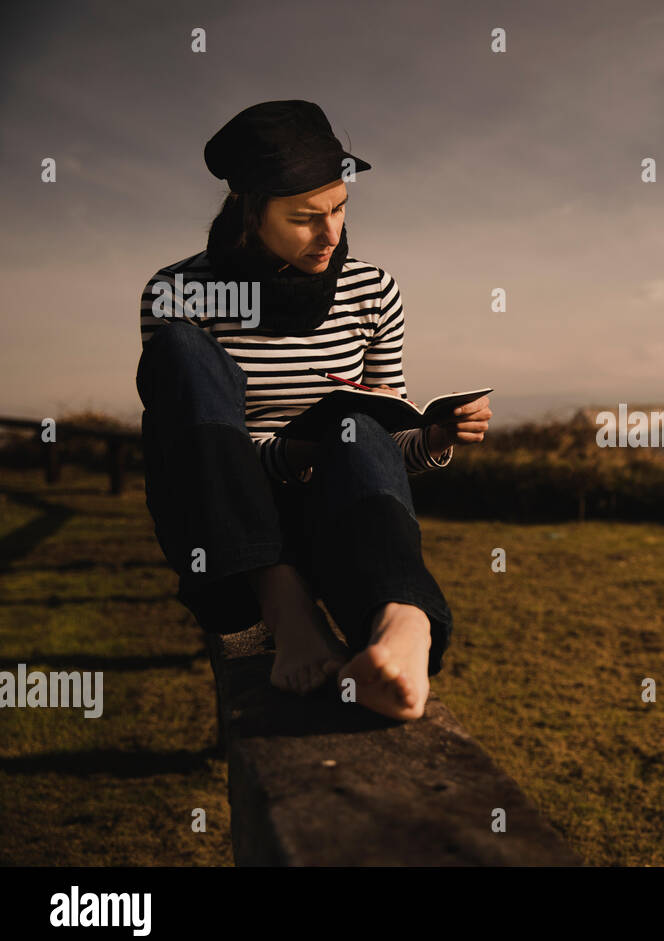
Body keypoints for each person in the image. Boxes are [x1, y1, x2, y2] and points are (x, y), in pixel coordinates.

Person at [135, 100, 490, 721]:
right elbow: (187, 448)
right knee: (183, 352)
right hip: (232, 531)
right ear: (250, 212)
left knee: (357, 426)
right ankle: (285, 605)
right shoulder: (178, 294)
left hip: (341, 517)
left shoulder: (371, 289)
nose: (330, 234)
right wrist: (283, 456)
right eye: (304, 219)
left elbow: (381, 444)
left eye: (339, 209)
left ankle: (403, 622)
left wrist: (431, 438)